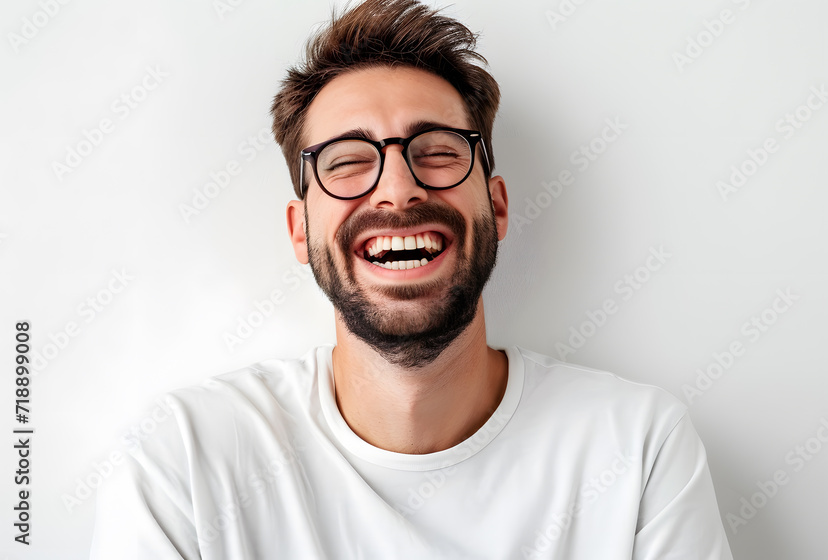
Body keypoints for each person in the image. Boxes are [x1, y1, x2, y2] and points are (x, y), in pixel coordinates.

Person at [91, 0, 734, 558]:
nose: (398, 190)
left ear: (498, 207)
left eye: (438, 151)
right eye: (346, 161)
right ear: (299, 229)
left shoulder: (637, 448)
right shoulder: (182, 460)